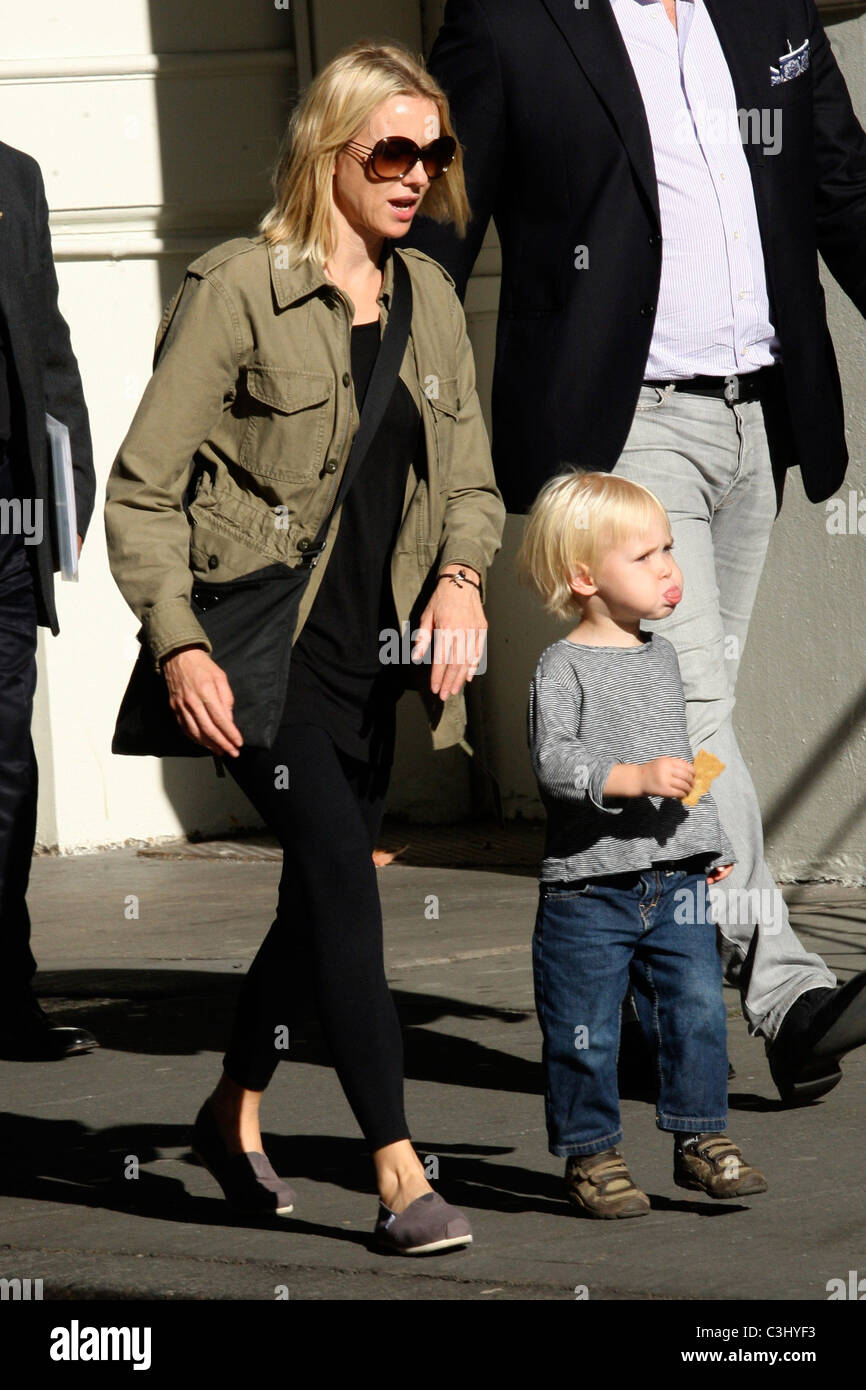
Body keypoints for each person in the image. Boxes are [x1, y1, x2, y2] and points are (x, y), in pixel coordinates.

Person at [406, 0, 866, 1105]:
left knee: (670, 732)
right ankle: (785, 992)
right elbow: (436, 238)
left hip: (756, 413)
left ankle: (640, 999)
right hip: (623, 430)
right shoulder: (509, 27)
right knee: (693, 709)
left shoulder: (765, 17)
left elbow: (840, 190)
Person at [105, 40, 505, 1255]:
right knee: (339, 879)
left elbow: (475, 485)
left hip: (373, 664)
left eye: (430, 154)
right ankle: (398, 1174)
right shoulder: (238, 290)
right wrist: (178, 646)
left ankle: (232, 1111)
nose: (414, 174)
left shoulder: (430, 297)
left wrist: (460, 576)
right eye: (391, 151)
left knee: (312, 899)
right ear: (327, 152)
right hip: (258, 660)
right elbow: (140, 489)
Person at [520, 471, 767, 1216]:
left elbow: (682, 763)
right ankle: (592, 1156)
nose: (670, 567)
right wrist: (632, 777)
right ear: (585, 577)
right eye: (647, 555)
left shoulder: (661, 657)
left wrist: (708, 838)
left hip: (676, 879)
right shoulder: (559, 667)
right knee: (583, 1029)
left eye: (668, 549)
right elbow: (556, 763)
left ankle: (702, 1141)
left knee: (695, 1010)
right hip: (590, 889)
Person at [0, 142, 97, 1062]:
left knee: (5, 765)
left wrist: (69, 484)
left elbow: (48, 343)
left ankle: (5, 992)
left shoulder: (15, 176)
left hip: (8, 518)